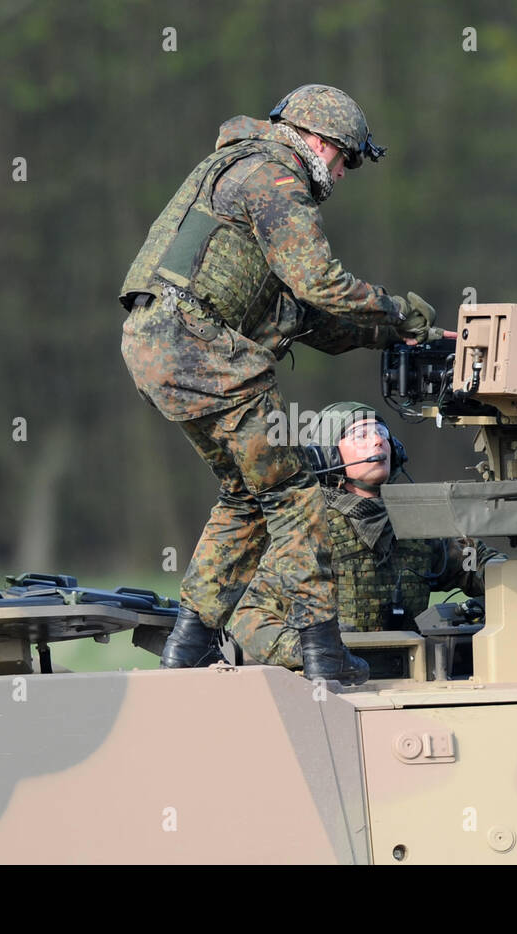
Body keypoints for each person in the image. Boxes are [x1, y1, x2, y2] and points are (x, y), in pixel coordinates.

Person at [118, 83, 442, 685]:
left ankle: (188, 645)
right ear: (319, 142)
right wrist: (400, 312)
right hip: (200, 347)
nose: (342, 175)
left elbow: (302, 315)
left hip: (157, 347)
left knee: (247, 494)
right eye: (345, 159)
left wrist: (388, 337)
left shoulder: (235, 171)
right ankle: (323, 652)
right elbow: (322, 283)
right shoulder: (273, 177)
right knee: (295, 493)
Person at [226, 402, 499, 671]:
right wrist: (308, 651)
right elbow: (249, 619)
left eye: (382, 433)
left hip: (409, 680)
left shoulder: (416, 523)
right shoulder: (307, 529)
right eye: (361, 435)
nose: (378, 442)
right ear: (329, 456)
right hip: (333, 685)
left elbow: (479, 565)